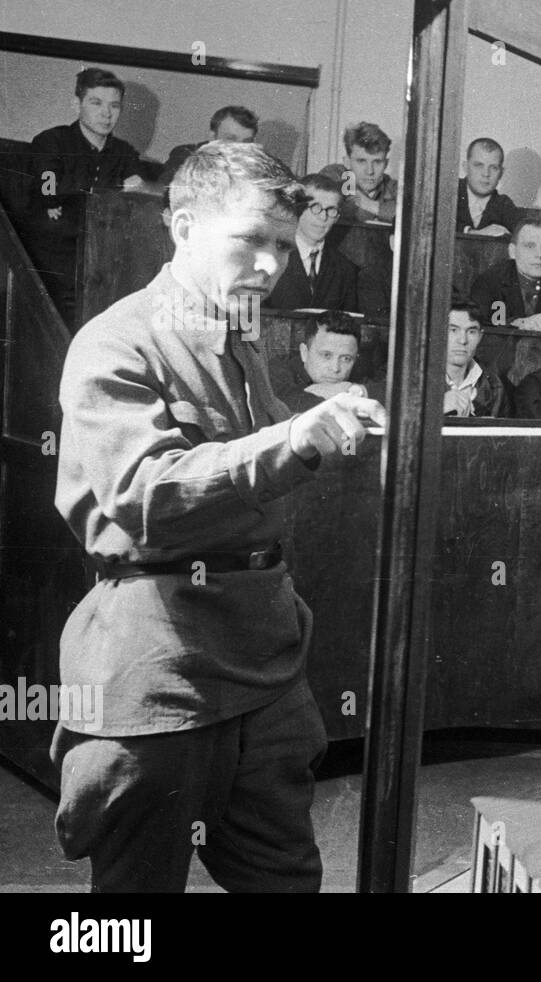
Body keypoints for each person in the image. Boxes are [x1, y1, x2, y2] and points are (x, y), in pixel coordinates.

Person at [51, 141, 386, 892]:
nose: (270, 265)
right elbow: (145, 497)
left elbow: (248, 448)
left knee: (286, 883)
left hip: (262, 669)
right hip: (163, 673)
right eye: (250, 241)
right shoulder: (116, 340)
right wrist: (291, 438)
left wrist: (316, 417)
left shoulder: (242, 337)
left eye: (280, 244)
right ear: (182, 227)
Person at [26, 67, 144, 323]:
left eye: (115, 105)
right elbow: (49, 190)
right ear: (76, 104)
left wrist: (73, 197)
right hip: (53, 264)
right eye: (96, 102)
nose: (106, 113)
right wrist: (115, 191)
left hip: (104, 261)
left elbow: (139, 194)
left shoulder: (124, 152)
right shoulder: (51, 141)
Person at [266, 173, 359, 312]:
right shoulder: (270, 259)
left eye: (331, 210)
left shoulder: (346, 270)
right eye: (316, 207)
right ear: (297, 207)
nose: (323, 217)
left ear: (338, 217)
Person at [271, 313, 370, 413]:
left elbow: (383, 389)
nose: (335, 368)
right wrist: (347, 398)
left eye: (346, 358)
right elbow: (281, 401)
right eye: (326, 355)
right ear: (304, 352)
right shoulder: (276, 370)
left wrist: (359, 390)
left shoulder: (360, 371)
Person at [158, 105, 259, 190]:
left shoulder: (260, 166)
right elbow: (164, 192)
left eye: (246, 142)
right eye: (231, 139)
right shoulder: (185, 156)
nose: (238, 148)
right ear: (212, 137)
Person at [320, 122, 398, 223]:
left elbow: (414, 214)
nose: (370, 171)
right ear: (347, 162)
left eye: (377, 162)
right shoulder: (333, 174)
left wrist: (367, 204)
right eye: (361, 161)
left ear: (386, 164)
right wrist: (383, 209)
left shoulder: (392, 187)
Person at [444, 298, 507, 418]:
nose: (463, 340)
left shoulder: (494, 386)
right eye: (453, 330)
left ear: (480, 336)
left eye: (471, 331)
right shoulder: (419, 380)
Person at [456, 137, 518, 237]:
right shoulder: (448, 192)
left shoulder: (504, 205)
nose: (486, 174)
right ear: (465, 167)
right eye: (479, 165)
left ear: (501, 173)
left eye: (493, 168)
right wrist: (474, 233)